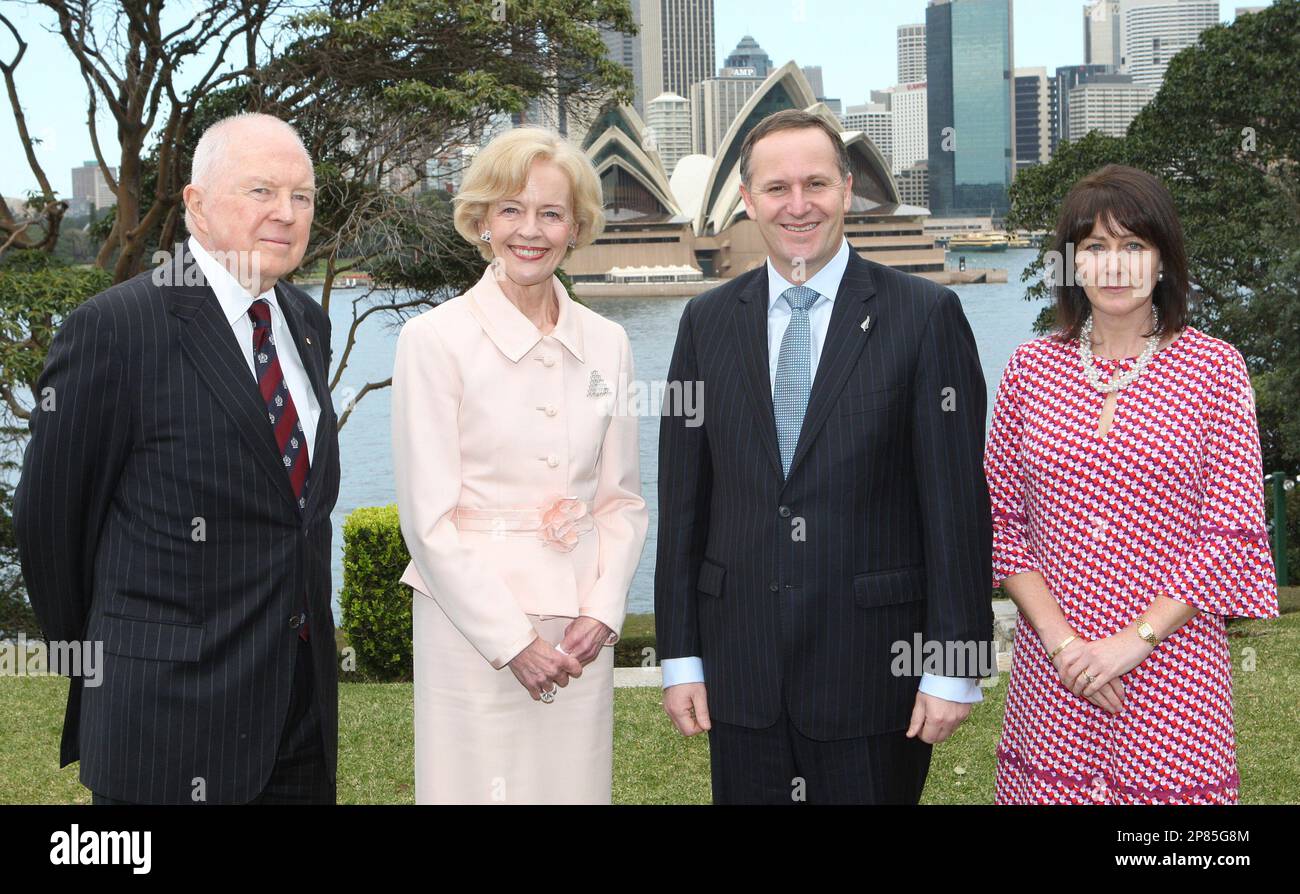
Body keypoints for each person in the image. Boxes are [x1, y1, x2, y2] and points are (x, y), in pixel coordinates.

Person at [655, 109, 993, 805]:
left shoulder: (924, 316)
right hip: (740, 674)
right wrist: (680, 657)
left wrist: (954, 667)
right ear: (746, 200)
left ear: (847, 188)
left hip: (874, 677)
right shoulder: (706, 323)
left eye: (816, 183)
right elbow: (682, 503)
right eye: (777, 188)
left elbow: (957, 509)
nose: (798, 205)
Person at [15, 113, 340, 804]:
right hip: (166, 723)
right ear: (195, 203)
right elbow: (50, 528)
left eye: (303, 196)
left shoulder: (307, 325)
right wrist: (123, 658)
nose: (286, 214)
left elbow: (297, 517)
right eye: (261, 191)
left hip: (300, 717)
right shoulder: (115, 329)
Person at [986, 164, 1279, 804]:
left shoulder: (1214, 369)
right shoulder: (1030, 369)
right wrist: (1067, 647)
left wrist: (1129, 644)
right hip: (1054, 669)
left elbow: (1227, 533)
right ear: (1072, 264)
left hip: (1174, 667)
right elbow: (1001, 524)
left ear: (1163, 262)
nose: (1114, 267)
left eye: (1133, 247)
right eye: (1095, 248)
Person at [392, 127, 648, 805]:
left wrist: (604, 609)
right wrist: (511, 641)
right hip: (470, 634)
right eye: (510, 209)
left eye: (551, 212)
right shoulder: (433, 340)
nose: (529, 230)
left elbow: (621, 501)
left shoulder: (609, 345)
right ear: (481, 220)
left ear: (577, 226)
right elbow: (428, 519)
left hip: (578, 636)